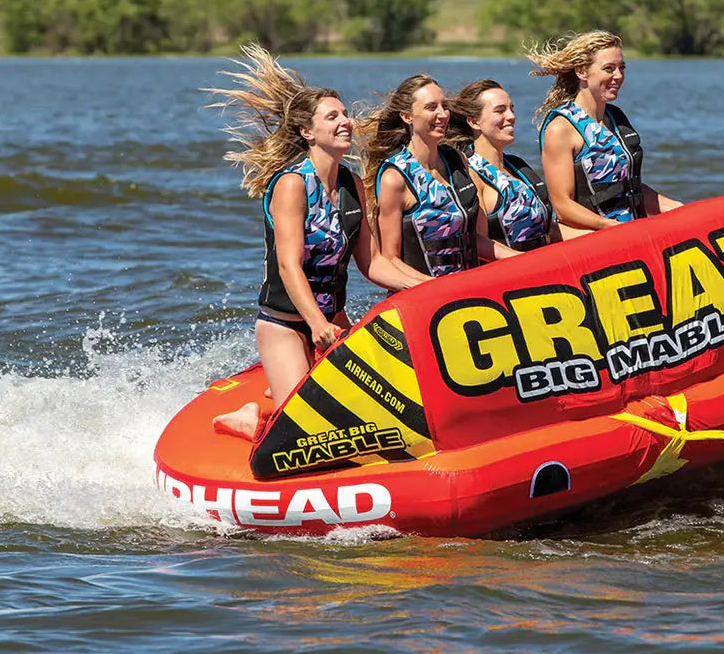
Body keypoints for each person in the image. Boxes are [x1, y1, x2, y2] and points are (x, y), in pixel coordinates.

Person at [205, 45, 415, 441]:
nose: (345, 122)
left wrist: (426, 288)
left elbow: (373, 264)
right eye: (332, 117)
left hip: (332, 323)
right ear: (307, 132)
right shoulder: (292, 184)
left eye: (345, 114)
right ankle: (252, 415)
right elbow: (289, 266)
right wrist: (316, 325)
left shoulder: (353, 185)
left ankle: (285, 384)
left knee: (372, 415)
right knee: (308, 433)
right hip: (286, 324)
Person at [357, 74, 516, 279]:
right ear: (407, 116)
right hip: (425, 296)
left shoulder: (458, 162)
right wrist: (434, 287)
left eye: (444, 106)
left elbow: (475, 239)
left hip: (470, 289)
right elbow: (390, 259)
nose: (442, 114)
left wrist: (521, 258)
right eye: (432, 107)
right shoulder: (395, 178)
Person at [528, 31, 681, 230]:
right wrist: (610, 227)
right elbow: (563, 207)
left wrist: (675, 208)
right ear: (582, 71)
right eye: (609, 69)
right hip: (597, 241)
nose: (618, 76)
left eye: (621, 68)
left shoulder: (616, 118)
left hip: (633, 232)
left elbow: (630, 189)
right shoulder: (561, 129)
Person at [446, 78, 562, 252]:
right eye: (500, 111)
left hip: (542, 264)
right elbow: (478, 242)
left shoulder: (518, 167)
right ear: (474, 121)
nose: (511, 117)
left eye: (511, 109)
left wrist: (604, 233)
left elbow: (550, 230)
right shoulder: (469, 174)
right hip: (510, 271)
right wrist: (525, 261)